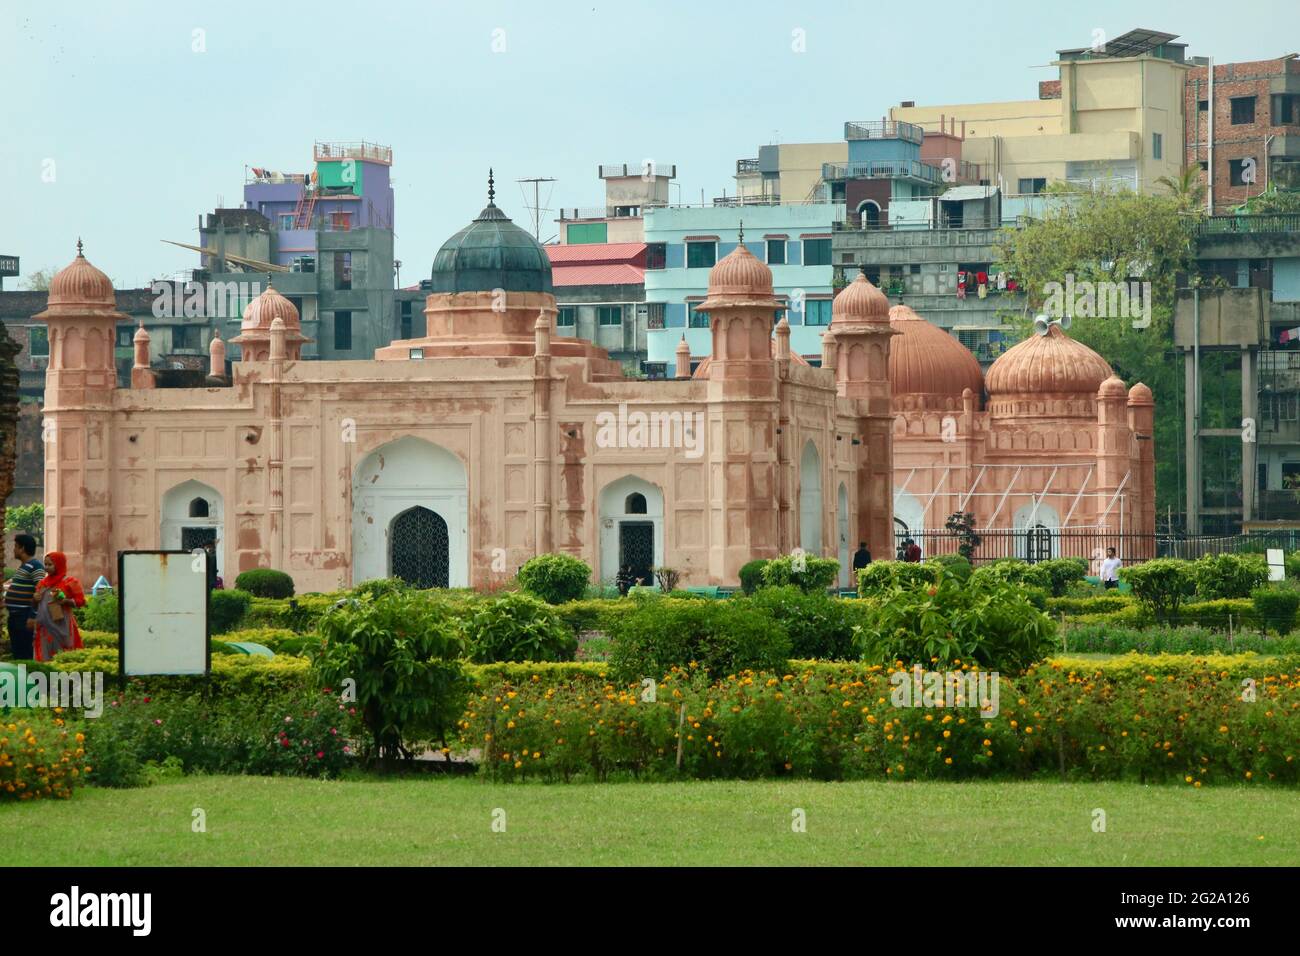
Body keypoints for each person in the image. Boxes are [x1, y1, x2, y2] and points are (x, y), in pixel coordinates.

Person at [32, 551, 86, 663]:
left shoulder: (70, 582)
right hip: (45, 627)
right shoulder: (42, 584)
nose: (46, 568)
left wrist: (65, 601)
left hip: (63, 625)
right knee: (45, 658)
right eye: (45, 564)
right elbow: (35, 606)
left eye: (50, 565)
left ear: (59, 564)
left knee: (64, 656)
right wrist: (35, 599)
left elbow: (81, 601)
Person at [5, 533, 45, 660]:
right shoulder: (24, 567)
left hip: (24, 617)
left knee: (24, 653)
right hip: (15, 617)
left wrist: (32, 616)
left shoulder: (35, 566)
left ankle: (27, 678)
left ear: (22, 548)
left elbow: (41, 592)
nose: (14, 549)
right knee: (17, 652)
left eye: (16, 546)